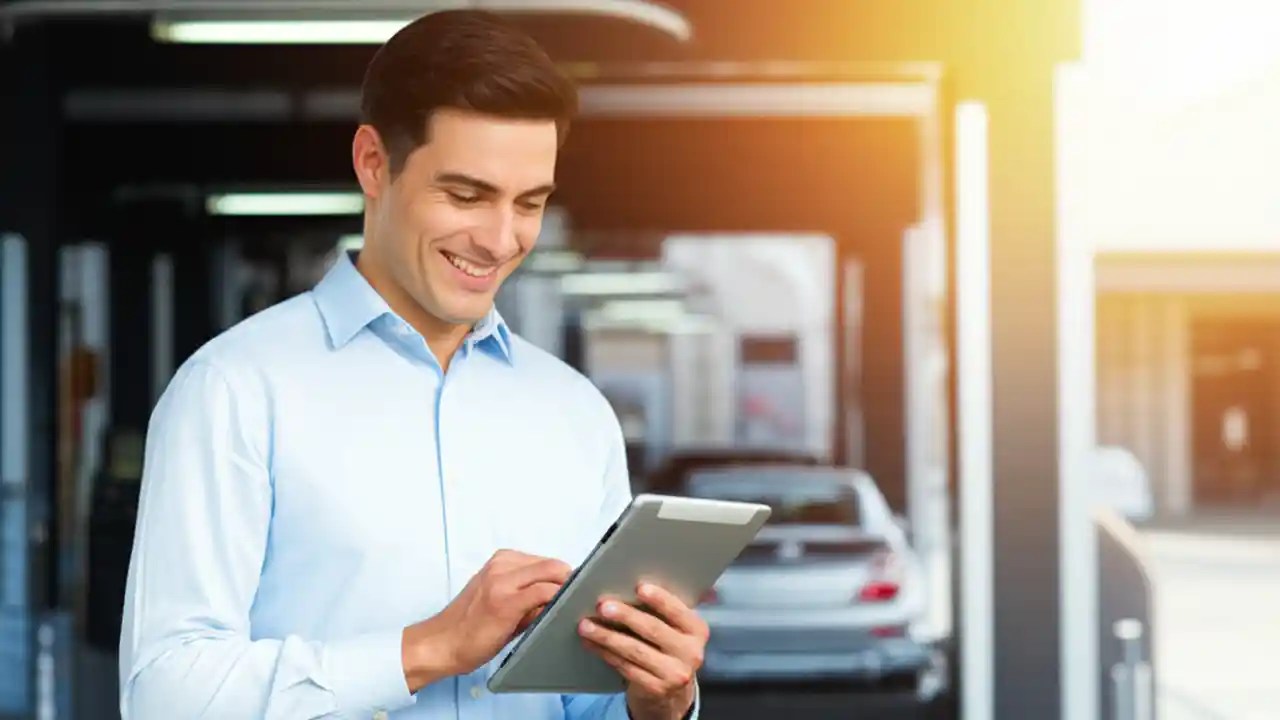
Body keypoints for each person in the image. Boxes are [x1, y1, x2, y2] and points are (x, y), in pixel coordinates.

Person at [117, 10, 705, 720]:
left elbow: (584, 704)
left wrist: (659, 700)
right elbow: (166, 694)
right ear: (373, 163)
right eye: (465, 195)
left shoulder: (575, 414)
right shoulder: (234, 390)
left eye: (530, 203)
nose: (499, 239)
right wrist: (429, 648)